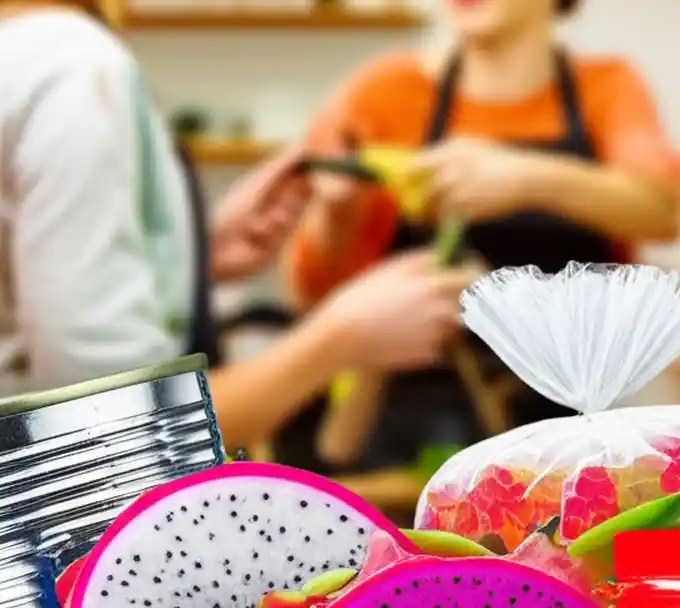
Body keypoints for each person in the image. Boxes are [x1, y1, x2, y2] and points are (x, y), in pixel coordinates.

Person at [0, 0, 477, 452]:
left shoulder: (32, 53)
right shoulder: (73, 70)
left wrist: (187, 258)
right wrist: (338, 339)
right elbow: (119, 430)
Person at [280, 0, 680, 470]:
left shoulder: (608, 87)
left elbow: (662, 210)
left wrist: (527, 179)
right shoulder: (383, 93)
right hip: (401, 442)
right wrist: (336, 218)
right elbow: (308, 293)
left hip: (569, 443)